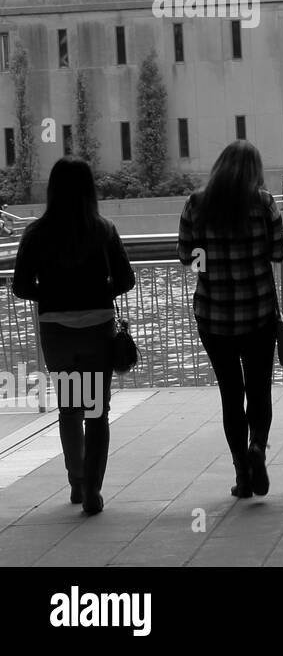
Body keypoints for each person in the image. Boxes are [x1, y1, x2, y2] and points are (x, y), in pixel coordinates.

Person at [12, 157, 135, 515]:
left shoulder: (35, 233)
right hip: (98, 329)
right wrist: (98, 291)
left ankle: (77, 482)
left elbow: (20, 286)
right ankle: (95, 488)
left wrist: (53, 294)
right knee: (97, 411)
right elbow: (126, 280)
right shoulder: (104, 230)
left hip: (56, 332)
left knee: (70, 407)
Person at [178, 140, 283, 499]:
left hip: (215, 316)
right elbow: (278, 251)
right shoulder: (264, 203)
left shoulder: (196, 204)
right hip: (258, 313)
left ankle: (242, 473)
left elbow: (187, 257)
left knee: (230, 394)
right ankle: (259, 447)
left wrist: (213, 265)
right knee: (259, 389)